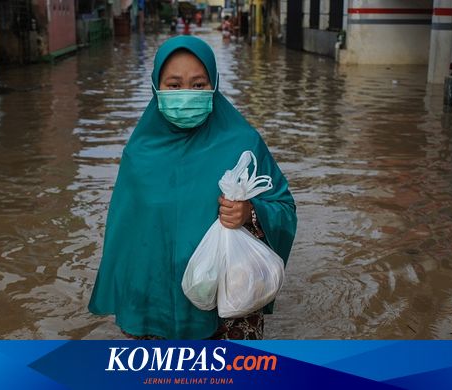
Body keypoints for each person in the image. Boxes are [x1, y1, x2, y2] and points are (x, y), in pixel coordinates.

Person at [88, 36, 297, 340]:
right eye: (174, 85)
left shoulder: (243, 145)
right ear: (156, 87)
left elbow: (284, 208)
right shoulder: (139, 153)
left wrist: (249, 212)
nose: (186, 94)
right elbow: (125, 234)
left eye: (198, 85)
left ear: (213, 85)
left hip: (223, 308)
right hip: (153, 307)